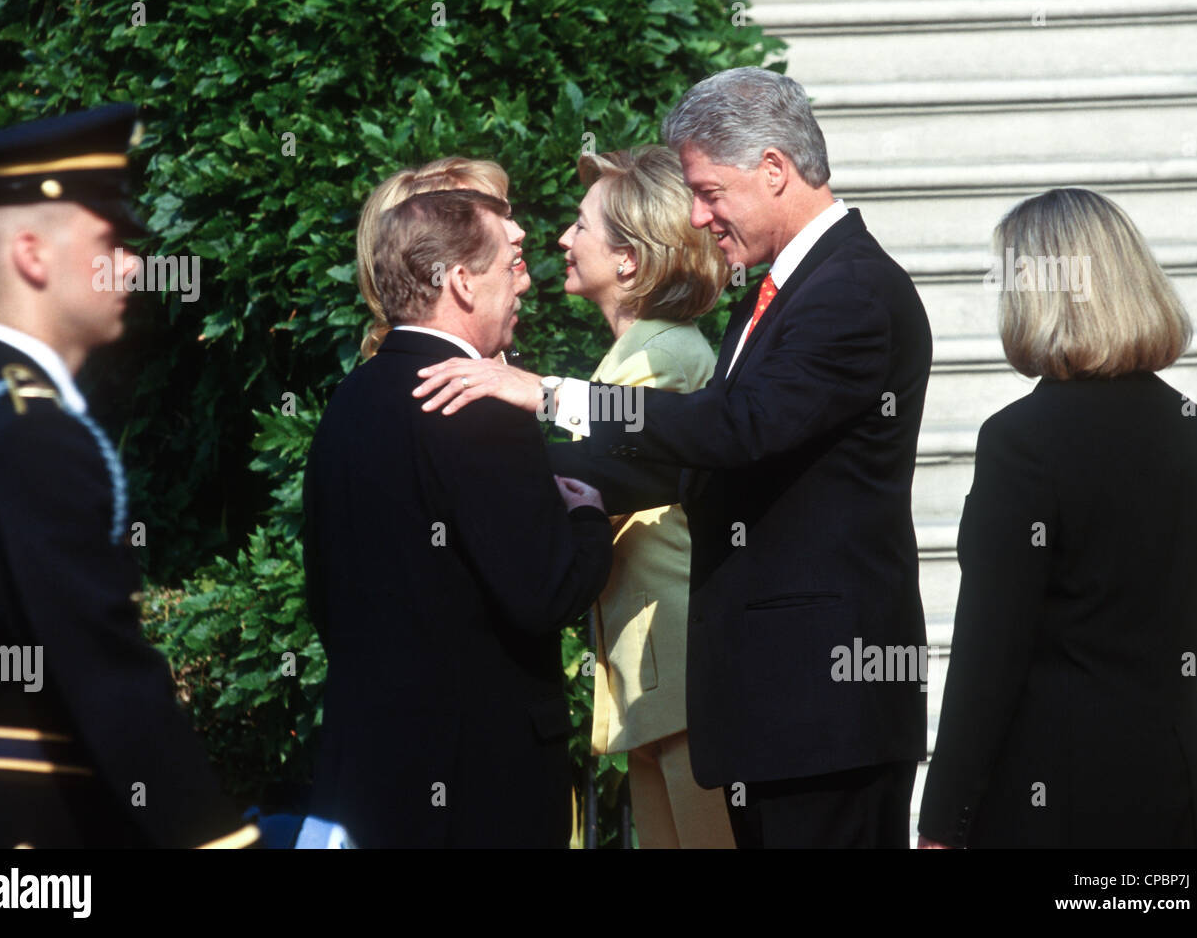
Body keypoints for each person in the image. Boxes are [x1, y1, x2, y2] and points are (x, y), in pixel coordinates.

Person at [414, 67, 933, 848]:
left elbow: (735, 426)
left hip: (823, 712)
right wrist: (507, 469)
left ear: (773, 169)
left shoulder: (851, 291)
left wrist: (552, 394)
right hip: (780, 717)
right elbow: (692, 465)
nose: (697, 215)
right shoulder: (787, 292)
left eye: (709, 192)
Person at [0, 103, 257, 847]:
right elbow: (108, 675)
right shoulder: (34, 431)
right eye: (110, 240)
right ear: (33, 254)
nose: (136, 266)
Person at [302, 188, 614, 847]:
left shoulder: (348, 403)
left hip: (367, 778)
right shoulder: (481, 406)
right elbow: (546, 590)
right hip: (483, 782)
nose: (522, 284)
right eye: (510, 264)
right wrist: (586, 510)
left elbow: (326, 597)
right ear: (464, 283)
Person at [917, 188, 1197, 848]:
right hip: (1178, 781)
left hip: (1056, 792)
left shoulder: (1022, 440)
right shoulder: (1195, 430)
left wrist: (943, 819)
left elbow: (987, 654)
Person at [562, 146, 733, 847]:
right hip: (659, 685)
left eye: (580, 226)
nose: (563, 241)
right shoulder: (637, 356)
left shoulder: (658, 357)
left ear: (628, 259)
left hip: (683, 683)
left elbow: (605, 479)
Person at [355, 157, 528, 359]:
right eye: (483, 227)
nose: (518, 233)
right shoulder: (440, 379)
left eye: (507, 216)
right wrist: (553, 390)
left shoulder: (497, 353)